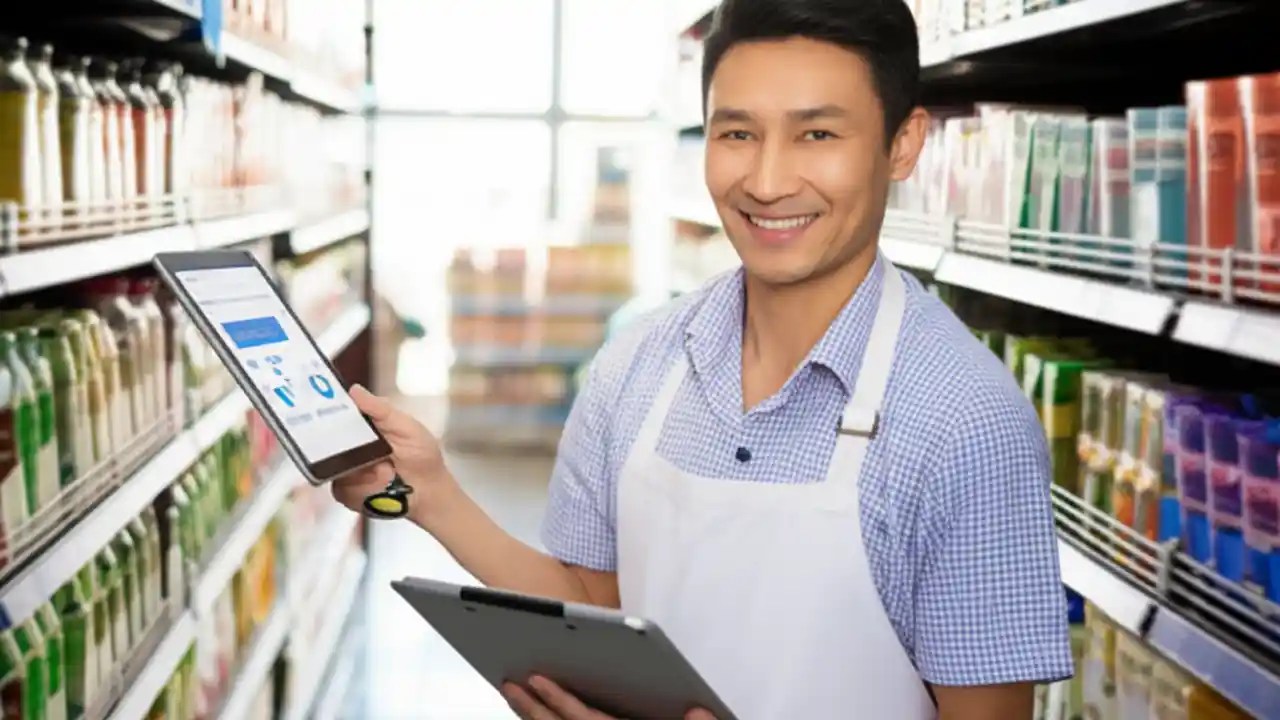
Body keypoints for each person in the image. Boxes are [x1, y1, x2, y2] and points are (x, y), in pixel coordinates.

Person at [333, 0, 1074, 717]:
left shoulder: (968, 423)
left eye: (817, 135)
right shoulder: (637, 367)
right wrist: (432, 496)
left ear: (904, 144)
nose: (767, 181)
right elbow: (592, 608)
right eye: (737, 134)